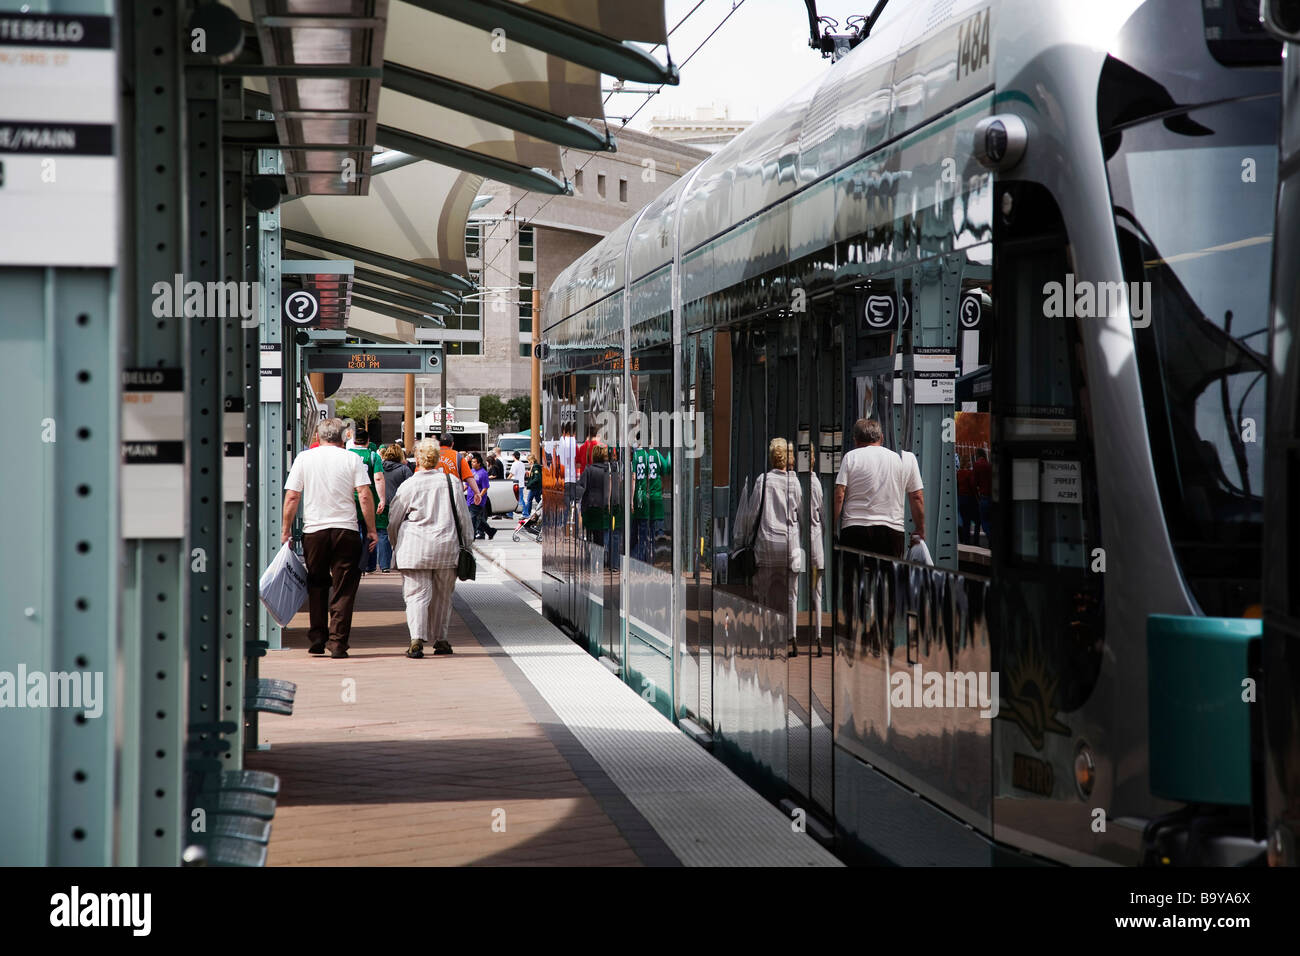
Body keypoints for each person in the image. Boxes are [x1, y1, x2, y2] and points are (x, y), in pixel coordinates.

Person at [280, 417, 376, 658]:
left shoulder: (304, 458)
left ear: (318, 436)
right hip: (346, 530)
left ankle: (317, 637)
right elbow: (364, 495)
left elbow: (292, 496)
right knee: (344, 588)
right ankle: (338, 643)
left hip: (315, 530)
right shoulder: (352, 458)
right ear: (343, 437)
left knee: (317, 583)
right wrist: (372, 529)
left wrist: (286, 529)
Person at [387, 439, 474, 659]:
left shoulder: (409, 485)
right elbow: (463, 517)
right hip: (447, 548)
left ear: (417, 459)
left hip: (414, 550)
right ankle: (441, 639)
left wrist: (395, 543)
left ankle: (416, 639)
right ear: (437, 459)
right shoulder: (452, 482)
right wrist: (468, 543)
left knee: (416, 595)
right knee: (443, 596)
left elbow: (394, 518)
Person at [736, 438, 804, 648]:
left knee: (764, 594)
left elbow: (752, 513)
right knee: (791, 595)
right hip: (789, 547)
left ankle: (766, 636)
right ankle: (791, 636)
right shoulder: (795, 481)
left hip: (766, 546)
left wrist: (744, 539)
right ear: (789, 458)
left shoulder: (762, 481)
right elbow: (800, 513)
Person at [833, 418, 922, 558]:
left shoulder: (850, 457)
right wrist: (920, 530)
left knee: (855, 578)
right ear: (882, 438)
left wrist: (833, 528)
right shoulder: (904, 459)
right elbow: (917, 497)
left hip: (855, 528)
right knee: (889, 578)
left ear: (856, 441)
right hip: (891, 530)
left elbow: (839, 495)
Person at [349, 427, 385, 575]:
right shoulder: (373, 456)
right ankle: (369, 565)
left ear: (354, 440)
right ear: (368, 441)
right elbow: (378, 478)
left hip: (350, 499)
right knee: (370, 530)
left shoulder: (347, 455)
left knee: (353, 531)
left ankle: (354, 562)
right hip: (369, 499)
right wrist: (382, 498)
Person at [631, 443, 670, 564]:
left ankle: (643, 558)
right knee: (655, 532)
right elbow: (666, 469)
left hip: (643, 497)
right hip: (655, 496)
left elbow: (636, 477)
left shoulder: (639, 456)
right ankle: (654, 559)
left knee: (643, 530)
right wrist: (663, 487)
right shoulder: (656, 455)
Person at [377, 444, 413, 571]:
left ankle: (384, 565)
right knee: (400, 533)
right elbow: (411, 488)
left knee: (382, 533)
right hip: (400, 506)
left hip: (382, 503)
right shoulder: (405, 470)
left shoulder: (379, 467)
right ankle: (399, 562)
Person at [434, 433, 484, 507]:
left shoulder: (432, 455)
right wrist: (477, 492)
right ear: (452, 444)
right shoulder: (457, 456)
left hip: (434, 494)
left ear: (439, 443)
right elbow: (469, 477)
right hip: (453, 495)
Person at [577, 444, 610, 547]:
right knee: (600, 537)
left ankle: (589, 558)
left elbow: (581, 487)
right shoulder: (607, 471)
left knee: (589, 535)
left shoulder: (588, 470)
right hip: (602, 508)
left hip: (589, 507)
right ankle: (599, 559)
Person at [468, 452, 494, 540]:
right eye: (472, 462)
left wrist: (479, 496)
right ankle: (490, 531)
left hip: (478, 499)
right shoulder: (471, 471)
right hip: (470, 498)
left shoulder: (483, 473)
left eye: (474, 462)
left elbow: (485, 487)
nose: (472, 464)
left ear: (479, 463)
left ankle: (472, 535)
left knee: (473, 517)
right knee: (479, 518)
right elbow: (467, 484)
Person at [957, 455, 979, 545]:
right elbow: (973, 486)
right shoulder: (969, 473)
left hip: (961, 498)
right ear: (967, 462)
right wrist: (977, 497)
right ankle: (976, 541)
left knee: (965, 521)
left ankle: (966, 541)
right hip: (970, 498)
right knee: (977, 520)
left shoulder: (958, 473)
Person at [973, 448, 992, 542]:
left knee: (984, 522)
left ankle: (991, 539)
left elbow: (975, 482)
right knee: (990, 520)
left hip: (983, 496)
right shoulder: (988, 465)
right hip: (991, 496)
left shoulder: (977, 465)